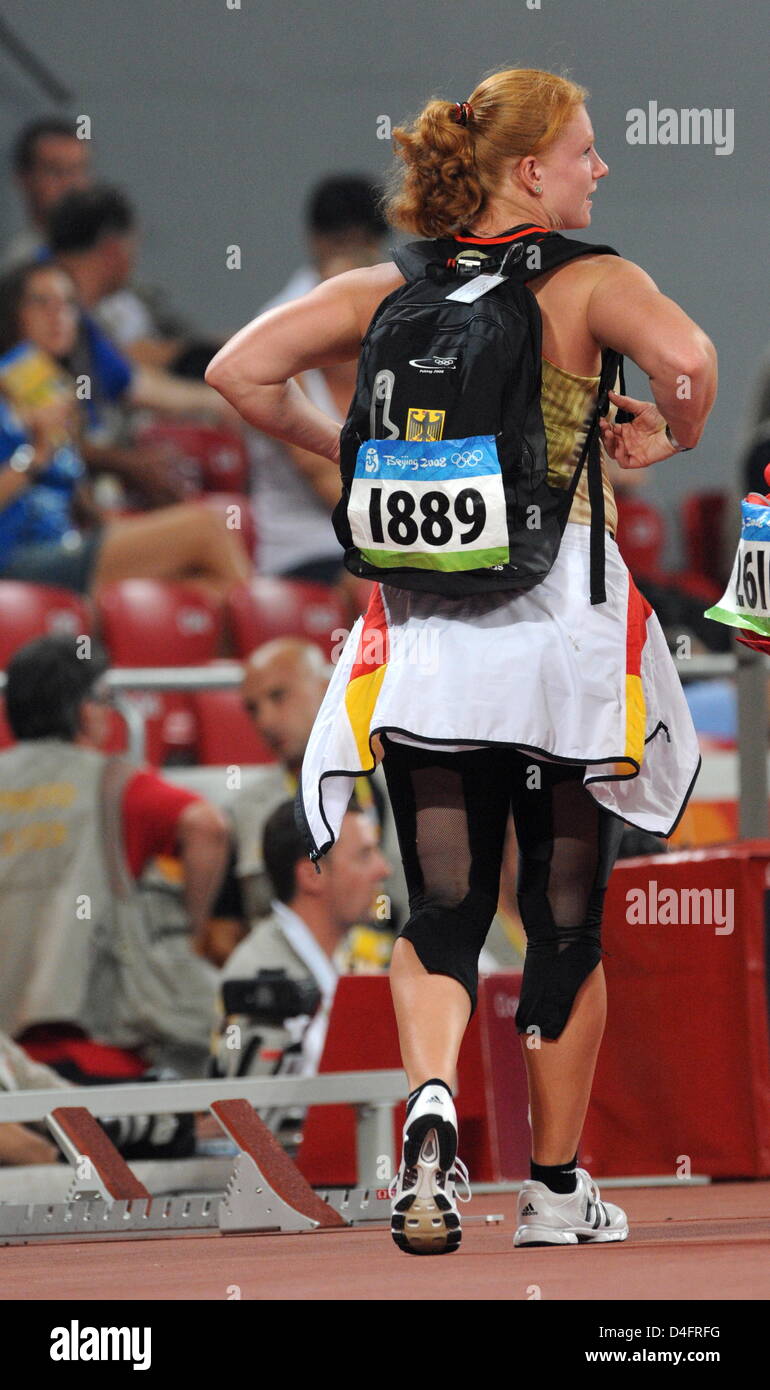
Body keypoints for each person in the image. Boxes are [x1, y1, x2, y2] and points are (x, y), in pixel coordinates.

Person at [205, 67, 717, 1254]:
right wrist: (666, 427)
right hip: (561, 647)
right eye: (584, 152)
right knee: (561, 917)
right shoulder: (595, 280)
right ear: (528, 171)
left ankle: (429, 1115)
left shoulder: (386, 286)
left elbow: (237, 373)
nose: (599, 169)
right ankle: (550, 1191)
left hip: (427, 642)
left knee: (438, 906)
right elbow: (687, 359)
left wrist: (345, 453)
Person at [0, 634, 229, 1077]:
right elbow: (208, 827)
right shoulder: (115, 783)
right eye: (104, 699)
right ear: (86, 710)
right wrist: (191, 930)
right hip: (93, 1055)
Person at [0, 258, 251, 596]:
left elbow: (78, 505)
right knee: (207, 527)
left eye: (68, 304)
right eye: (41, 302)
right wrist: (38, 453)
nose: (57, 315)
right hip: (19, 557)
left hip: (66, 544)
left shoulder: (56, 392)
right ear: (13, 312)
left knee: (197, 584)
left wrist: (138, 526)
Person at [212, 801, 391, 1142]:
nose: (383, 870)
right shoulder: (255, 975)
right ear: (312, 874)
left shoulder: (354, 956)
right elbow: (244, 1132)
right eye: (364, 855)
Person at [247, 176, 387, 592]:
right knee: (380, 587)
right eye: (342, 244)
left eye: (365, 245)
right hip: (307, 549)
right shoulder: (280, 330)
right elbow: (326, 480)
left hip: (380, 536)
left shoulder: (387, 317)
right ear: (317, 243)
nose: (357, 257)